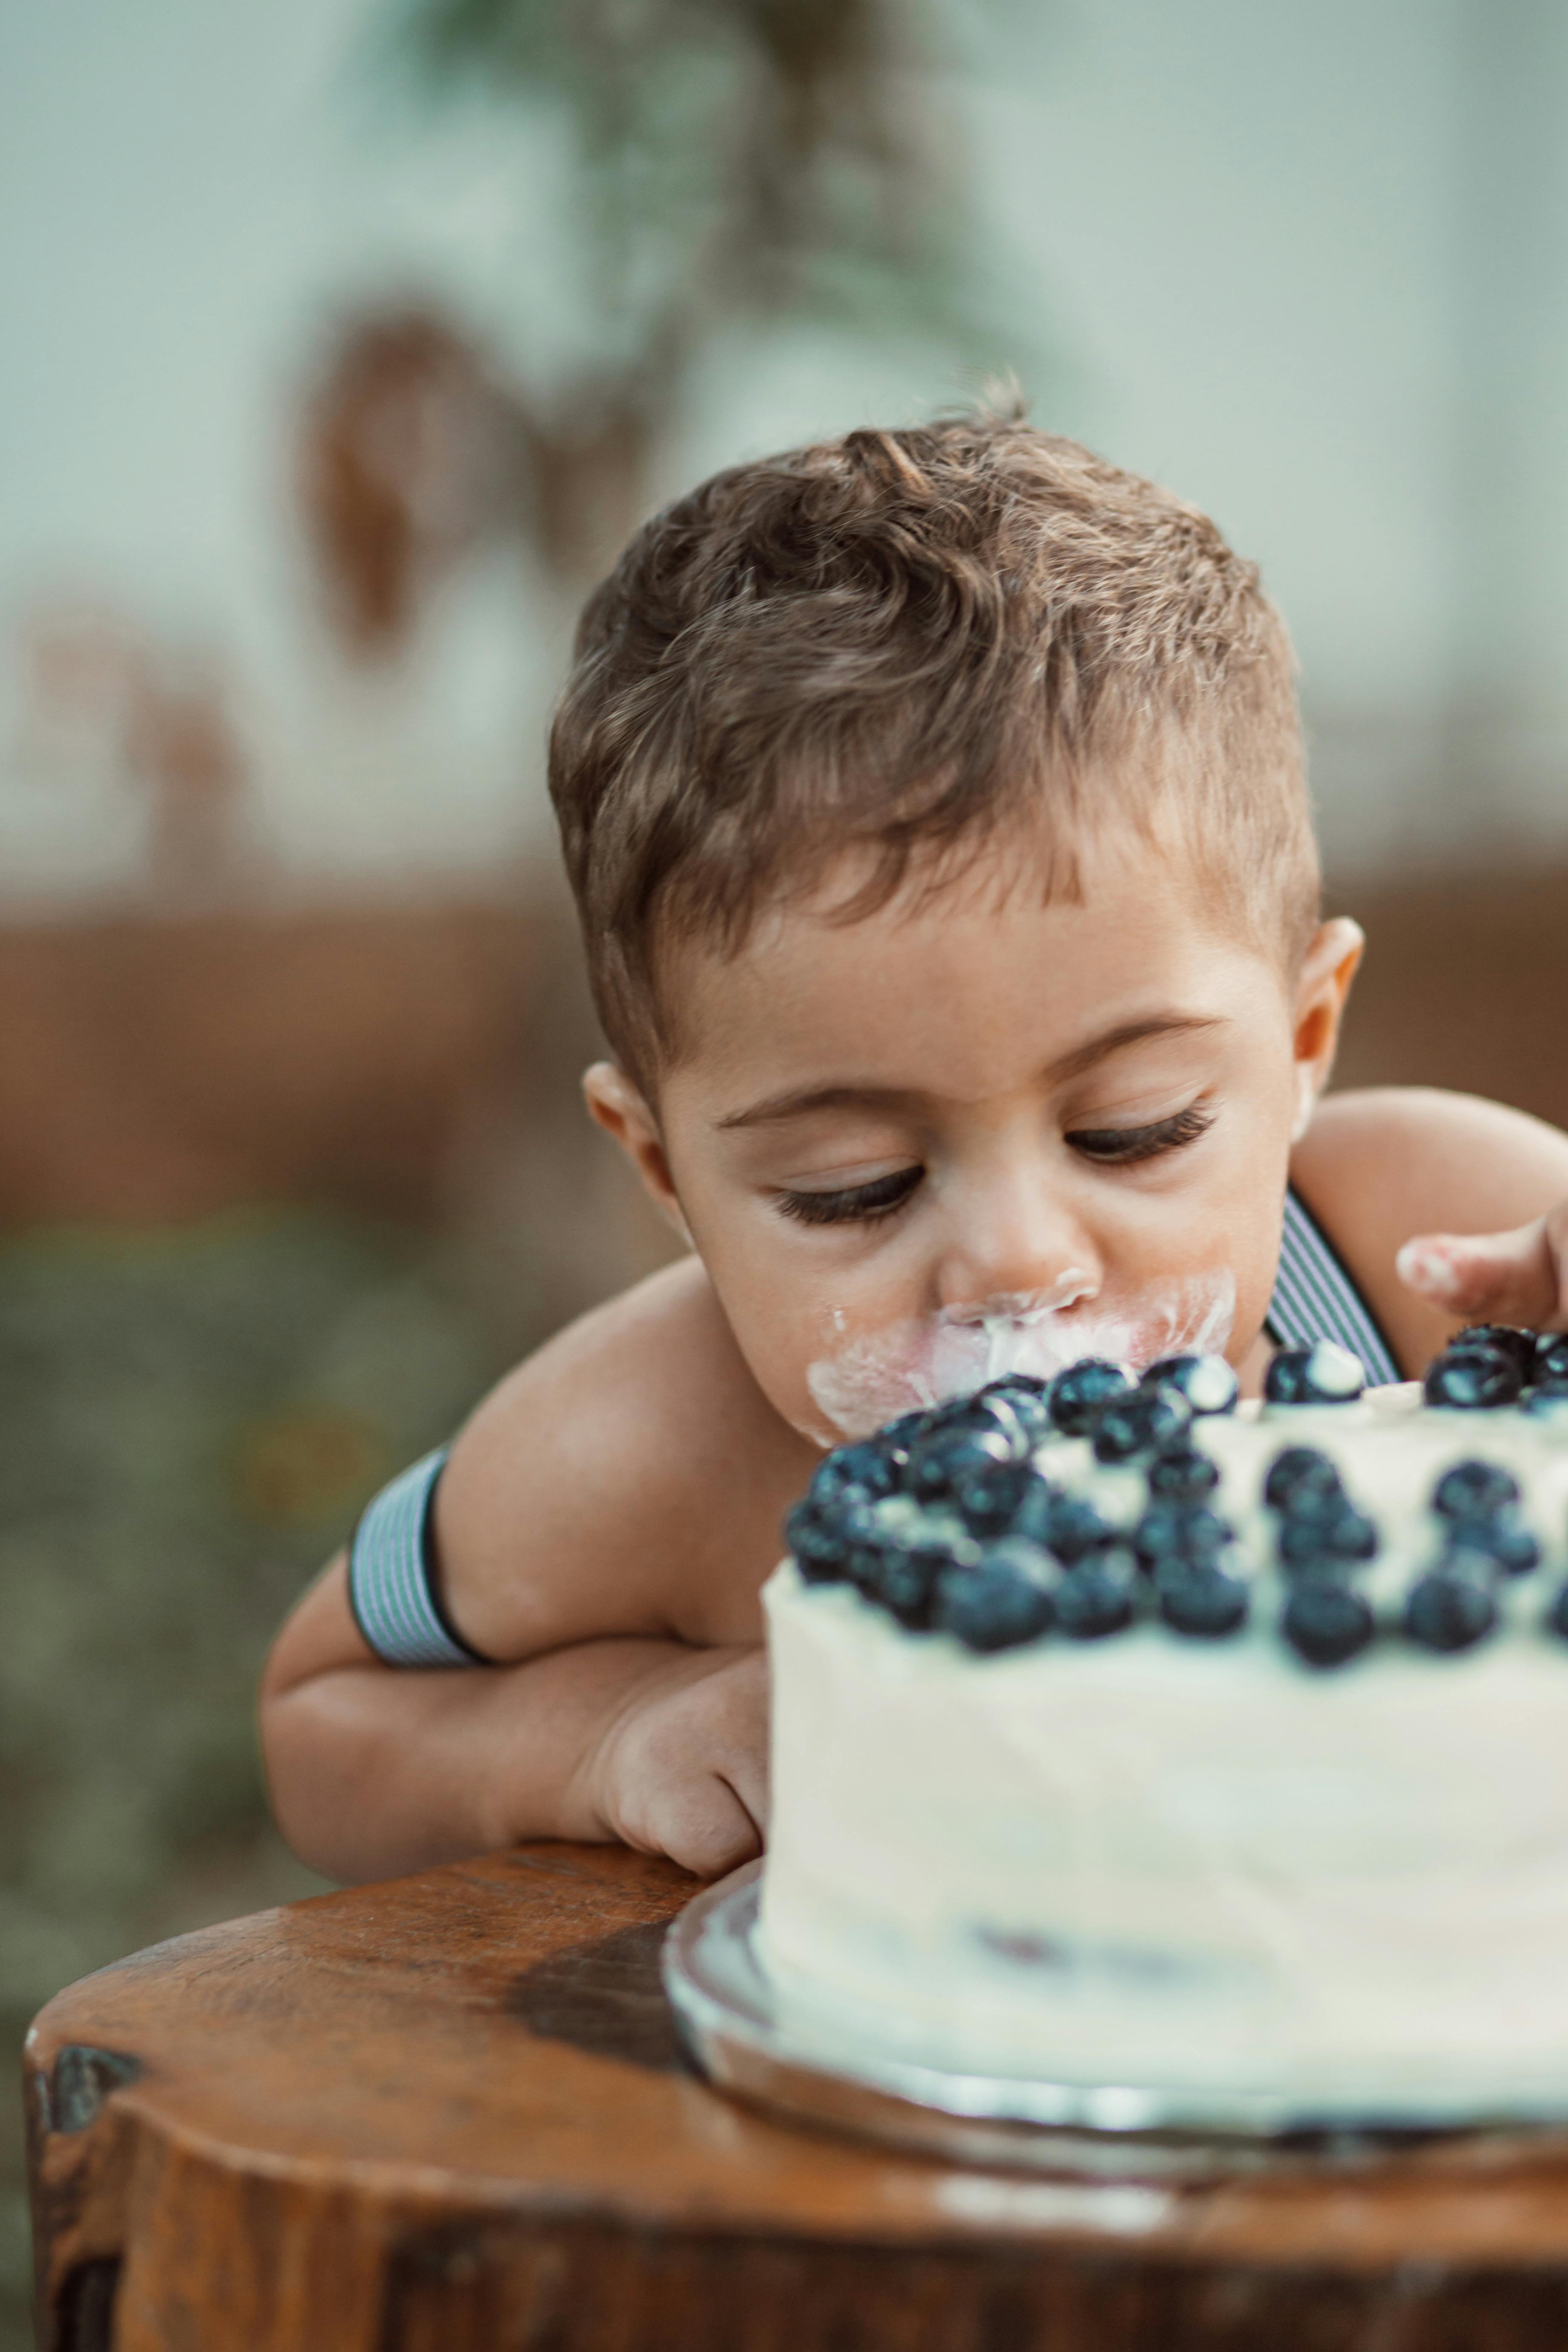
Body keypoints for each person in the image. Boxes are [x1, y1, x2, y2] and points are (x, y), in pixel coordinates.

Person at [260, 409, 1568, 1888]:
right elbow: (327, 1719)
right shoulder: (647, 1447)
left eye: (1136, 1130)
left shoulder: (1436, 1256)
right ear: (667, 1173)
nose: (1016, 1258)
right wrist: (607, 1728)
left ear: (1304, 1043)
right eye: (853, 1189)